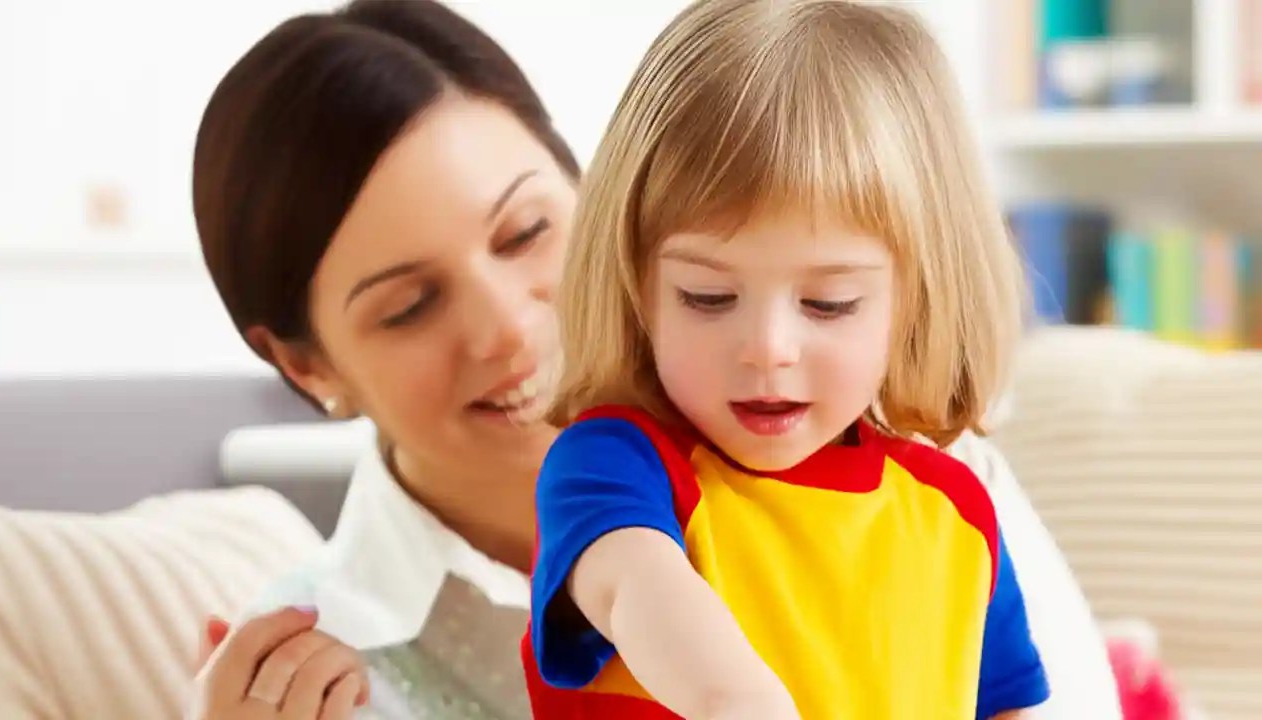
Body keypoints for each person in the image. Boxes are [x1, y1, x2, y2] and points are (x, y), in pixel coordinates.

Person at [187, 0, 1121, 718]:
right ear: (308, 366)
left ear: (600, 211)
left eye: (525, 233)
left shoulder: (941, 496)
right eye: (410, 306)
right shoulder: (307, 672)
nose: (509, 329)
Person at [523, 1, 1047, 718]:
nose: (768, 349)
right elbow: (633, 586)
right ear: (637, 288)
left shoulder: (952, 513)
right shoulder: (616, 468)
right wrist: (737, 700)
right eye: (707, 297)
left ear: (916, 301)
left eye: (828, 303)